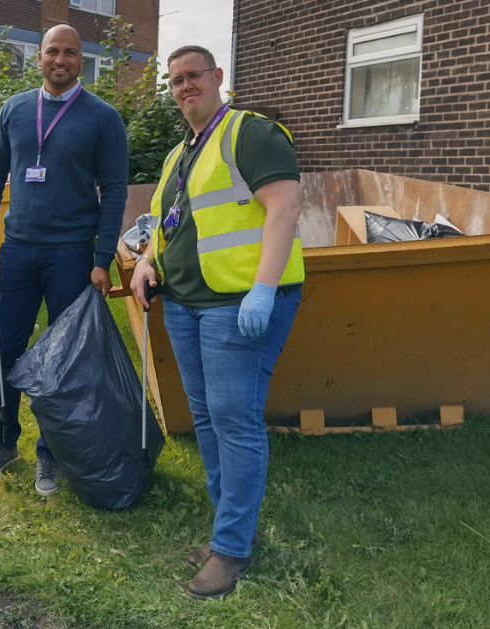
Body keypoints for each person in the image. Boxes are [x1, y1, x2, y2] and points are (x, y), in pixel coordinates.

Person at [128, 45, 305, 599]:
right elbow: (168, 223)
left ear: (218, 77)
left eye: (193, 76)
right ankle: (227, 529)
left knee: (234, 420)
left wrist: (262, 290)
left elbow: (286, 207)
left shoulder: (249, 134)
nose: (184, 88)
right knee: (206, 419)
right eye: (175, 81)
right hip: (185, 303)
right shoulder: (180, 154)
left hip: (236, 304)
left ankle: (232, 550)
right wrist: (146, 262)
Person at [0, 24, 129, 496]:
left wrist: (102, 257)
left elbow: (116, 190)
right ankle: (3, 441)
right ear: (38, 57)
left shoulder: (103, 117)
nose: (61, 59)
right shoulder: (14, 109)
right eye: (53, 51)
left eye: (71, 53)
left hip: (73, 254)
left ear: (82, 60)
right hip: (17, 251)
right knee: (6, 351)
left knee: (63, 360)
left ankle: (51, 450)